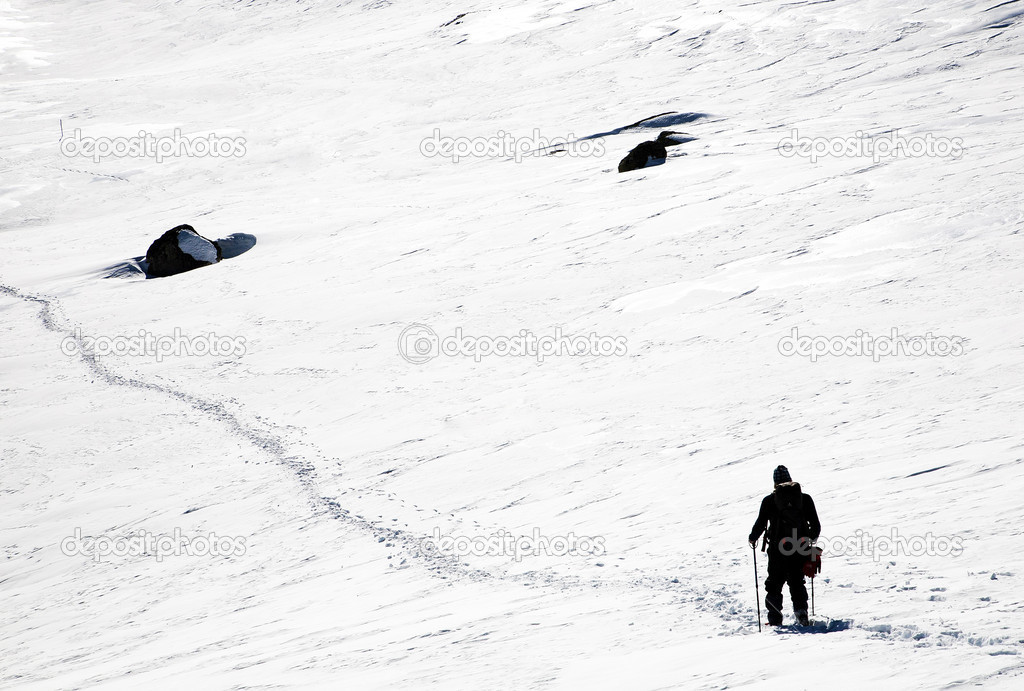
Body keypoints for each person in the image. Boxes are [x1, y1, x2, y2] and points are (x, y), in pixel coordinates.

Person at [748, 465, 821, 626]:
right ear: (790, 479)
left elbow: (760, 524)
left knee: (774, 584)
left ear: (775, 483)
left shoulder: (769, 501)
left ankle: (775, 619)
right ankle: (801, 613)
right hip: (799, 547)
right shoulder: (804, 498)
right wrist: (810, 541)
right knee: (796, 582)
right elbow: (816, 525)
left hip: (777, 550)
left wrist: (752, 538)